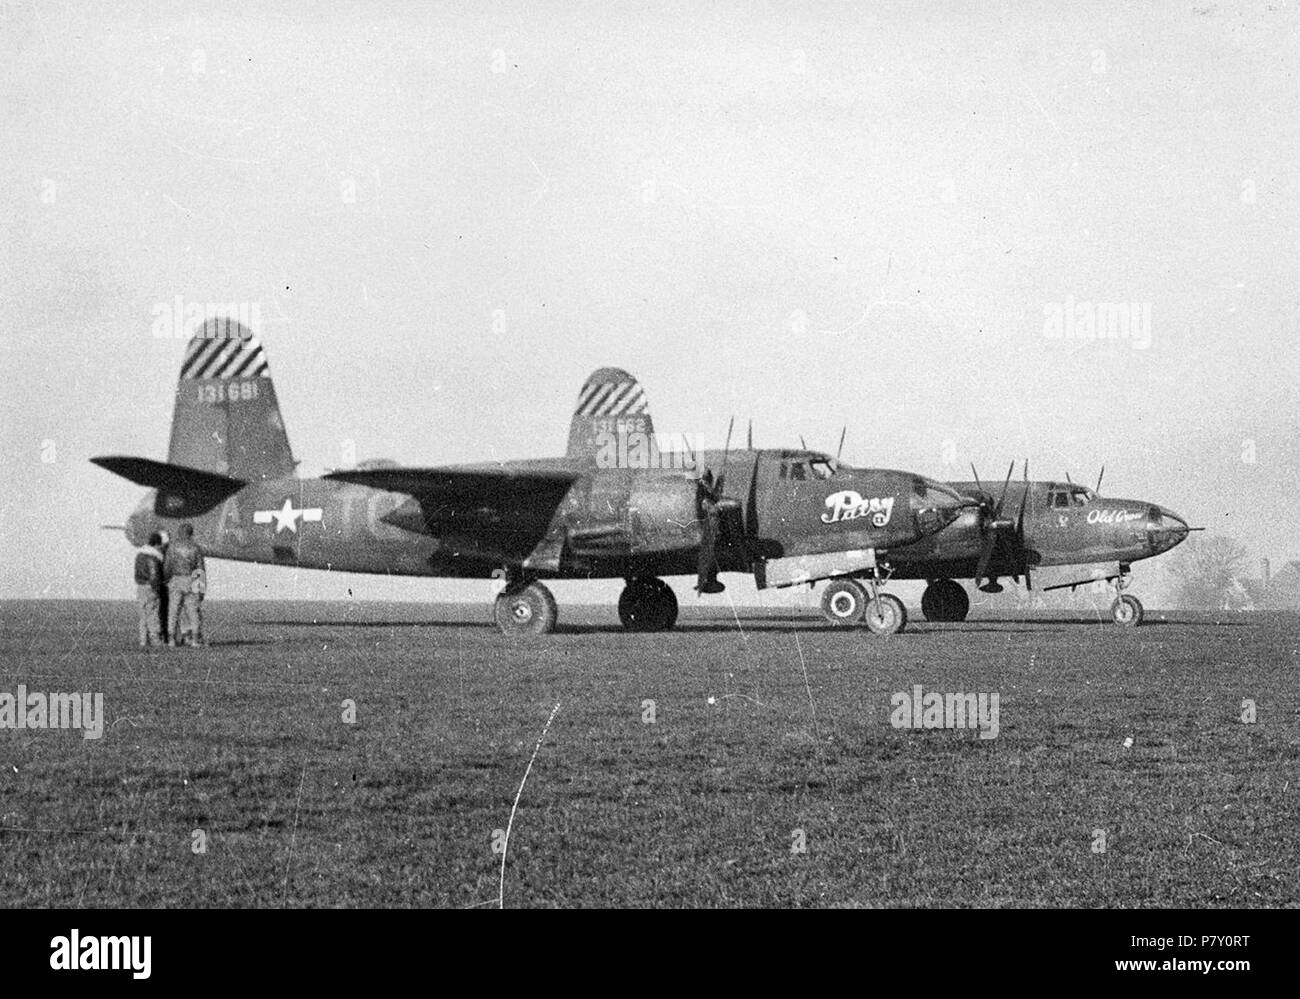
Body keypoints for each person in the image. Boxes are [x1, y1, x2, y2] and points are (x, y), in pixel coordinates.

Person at [164, 523, 207, 647]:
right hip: (191, 580)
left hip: (175, 580)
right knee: (193, 612)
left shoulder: (172, 547)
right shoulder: (196, 548)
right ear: (191, 533)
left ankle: (171, 640)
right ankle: (194, 640)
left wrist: (166, 581)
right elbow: (200, 569)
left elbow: (167, 566)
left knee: (173, 612)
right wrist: (201, 590)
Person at [133, 533, 166, 647]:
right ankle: (155, 639)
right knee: (153, 613)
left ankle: (143, 640)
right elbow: (154, 575)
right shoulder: (153, 557)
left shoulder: (139, 555)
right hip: (151, 588)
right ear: (157, 544)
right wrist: (157, 589)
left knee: (143, 615)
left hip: (140, 586)